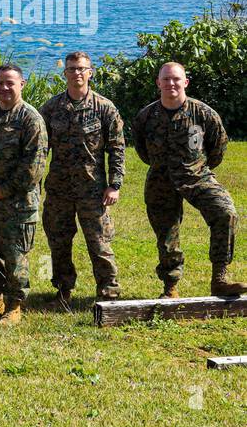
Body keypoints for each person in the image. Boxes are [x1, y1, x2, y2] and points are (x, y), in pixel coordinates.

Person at [134, 61, 246, 298]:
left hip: (197, 176)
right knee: (166, 236)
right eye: (166, 79)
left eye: (176, 79)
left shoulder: (203, 114)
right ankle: (170, 287)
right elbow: (142, 150)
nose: (171, 84)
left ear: (185, 82)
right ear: (158, 83)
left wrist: (197, 166)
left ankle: (220, 279)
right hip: (160, 181)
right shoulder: (146, 116)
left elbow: (218, 147)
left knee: (225, 213)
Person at [39, 51, 125, 309]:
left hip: (93, 189)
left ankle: (108, 290)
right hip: (59, 189)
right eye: (72, 69)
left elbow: (117, 148)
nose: (77, 73)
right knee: (59, 242)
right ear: (65, 73)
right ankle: (63, 290)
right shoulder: (52, 108)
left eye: (81, 68)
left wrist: (115, 184)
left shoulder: (104, 107)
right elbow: (41, 148)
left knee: (99, 242)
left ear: (90, 72)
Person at [0, 64, 48, 324]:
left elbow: (33, 167)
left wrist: (4, 189)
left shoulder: (31, 119)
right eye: (0, 83)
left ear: (22, 84)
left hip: (17, 202)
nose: (4, 88)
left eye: (10, 83)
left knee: (15, 256)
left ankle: (15, 304)